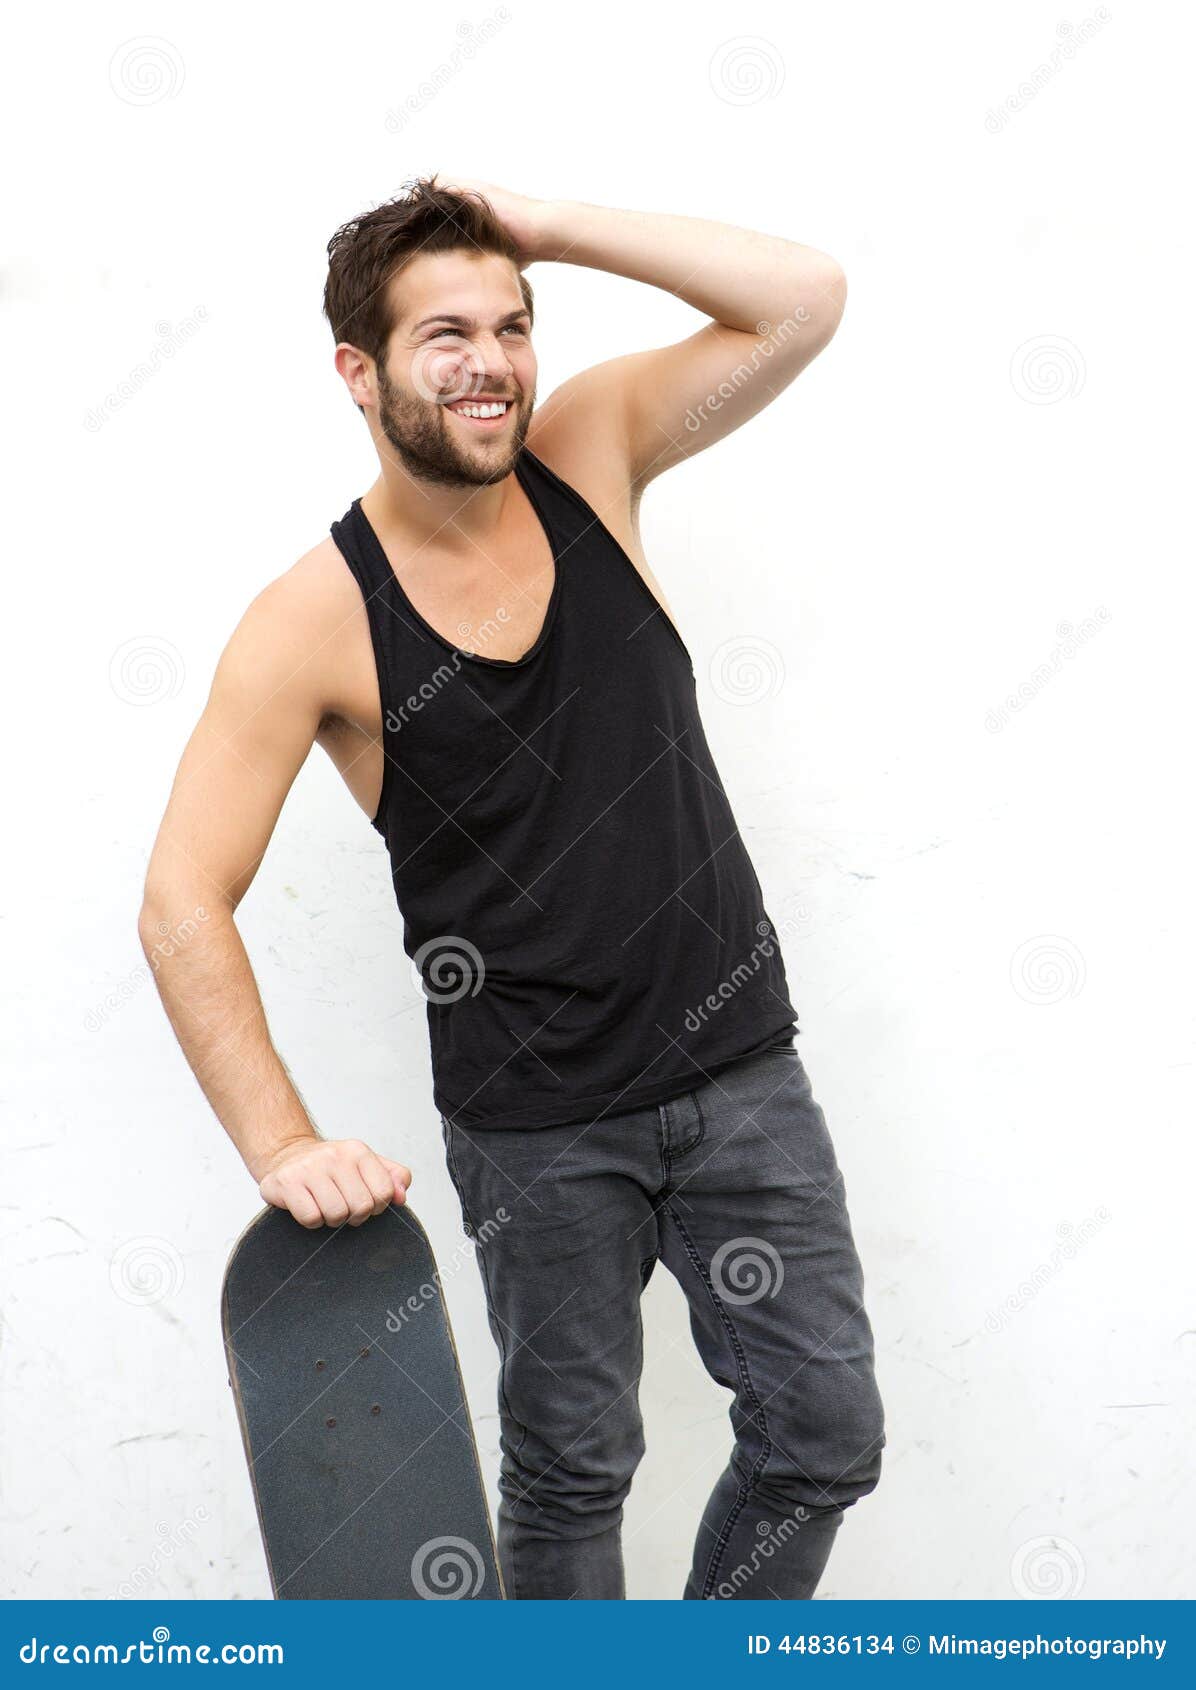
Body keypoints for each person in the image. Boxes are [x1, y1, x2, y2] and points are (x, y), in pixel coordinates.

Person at [139, 176, 885, 1600]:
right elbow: (183, 895)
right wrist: (281, 1142)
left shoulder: (590, 449)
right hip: (539, 1134)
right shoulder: (312, 618)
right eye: (444, 335)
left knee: (822, 1433)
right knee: (571, 1476)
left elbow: (805, 300)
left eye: (513, 324)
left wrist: (548, 226)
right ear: (357, 371)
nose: (492, 362)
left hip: (741, 1076)